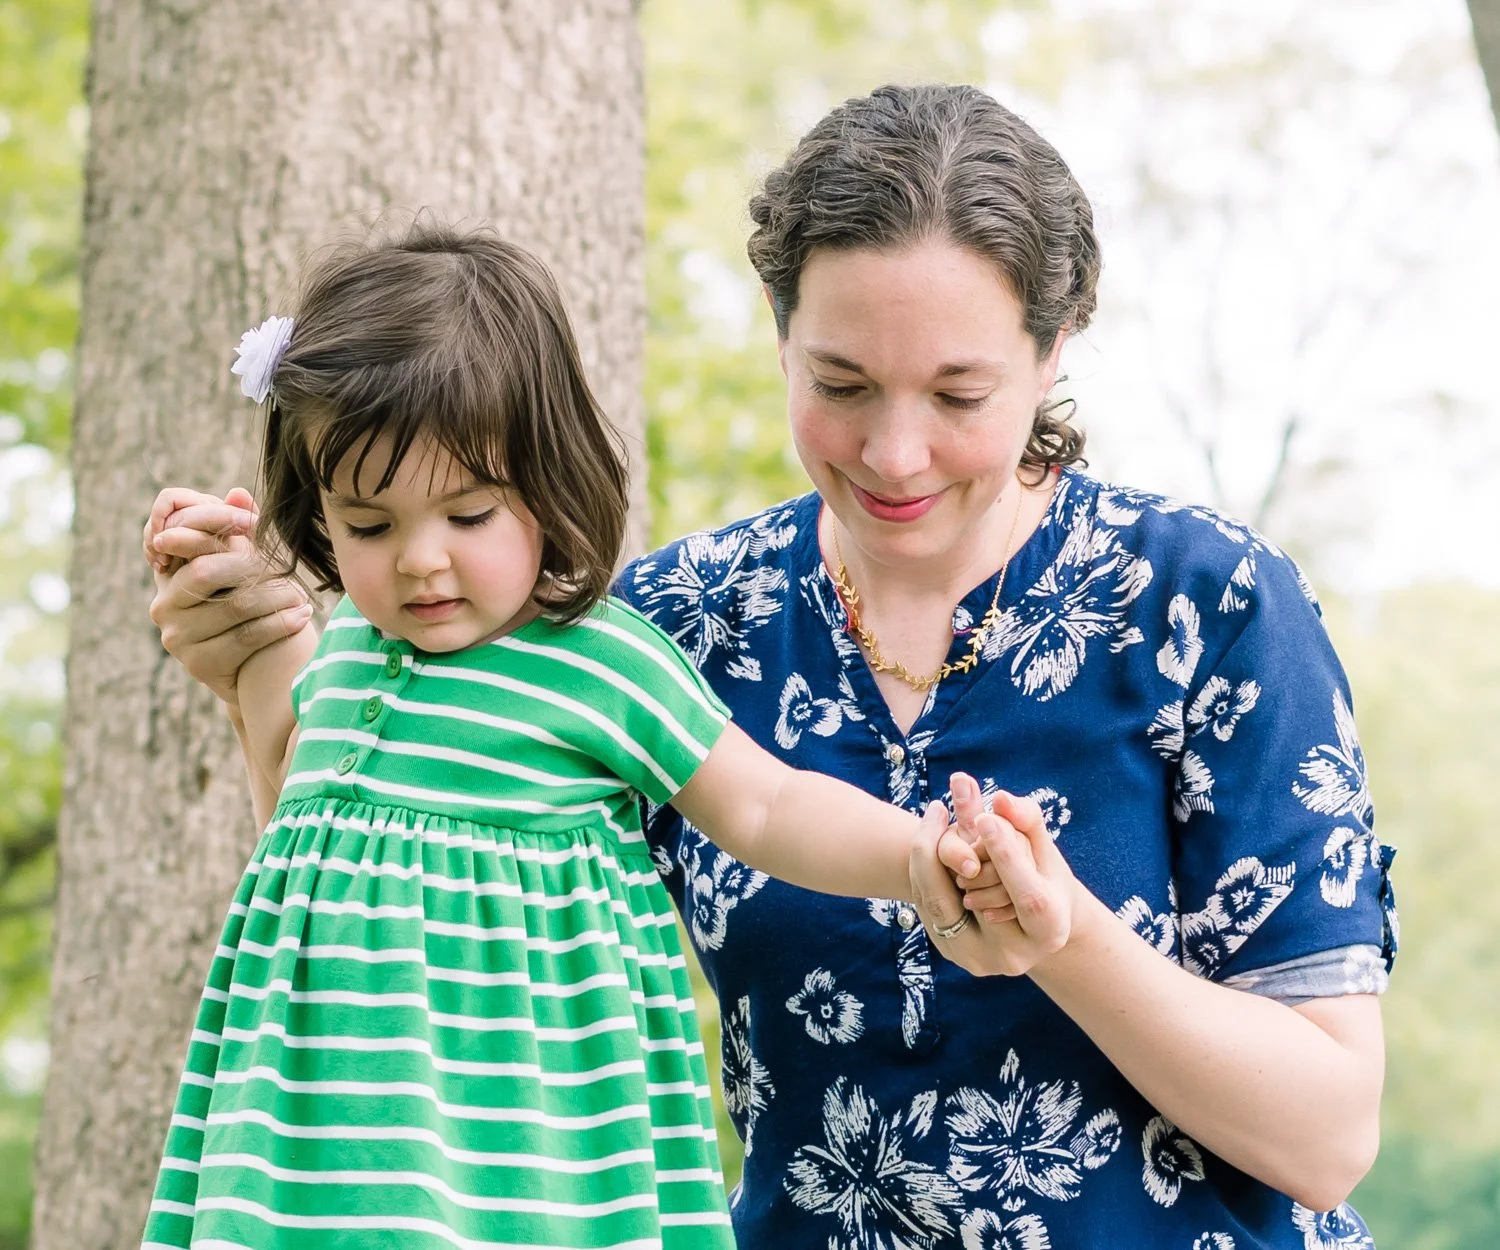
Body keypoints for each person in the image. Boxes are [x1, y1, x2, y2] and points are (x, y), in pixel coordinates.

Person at [146, 86, 1397, 1249]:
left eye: (959, 391)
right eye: (841, 383)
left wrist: (1061, 937)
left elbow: (1328, 1137)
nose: (896, 452)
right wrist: (268, 680)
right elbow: (398, 927)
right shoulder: (666, 625)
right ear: (780, 330)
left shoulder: (1209, 603)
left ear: (1058, 344)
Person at [136, 220, 986, 1250]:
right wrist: (253, 639)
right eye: (368, 524)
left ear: (547, 483)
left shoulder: (596, 659)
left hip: (525, 1153)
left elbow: (762, 802)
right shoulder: (349, 650)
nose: (419, 563)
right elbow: (293, 816)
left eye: (469, 513)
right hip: (311, 1150)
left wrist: (914, 850)